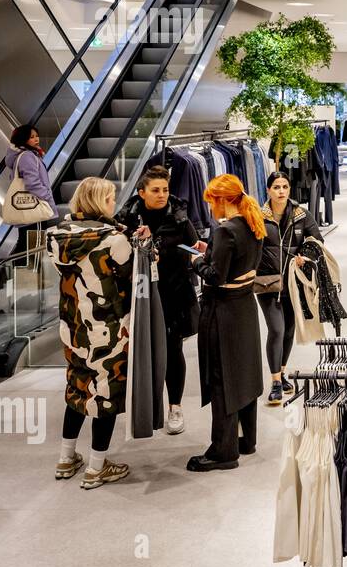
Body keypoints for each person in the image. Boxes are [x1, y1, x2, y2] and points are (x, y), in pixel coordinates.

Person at [48, 177, 135, 489]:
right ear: (101, 202)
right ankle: (97, 467)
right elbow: (129, 277)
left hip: (71, 326)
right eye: (110, 199)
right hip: (106, 328)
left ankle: (65, 457)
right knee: (105, 395)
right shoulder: (113, 239)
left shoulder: (55, 235)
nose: (114, 204)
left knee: (77, 388)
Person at [188, 174, 266, 472]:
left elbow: (215, 276)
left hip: (222, 313)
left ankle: (223, 451)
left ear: (221, 200)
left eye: (211, 202)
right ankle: (246, 440)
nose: (210, 209)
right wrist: (210, 252)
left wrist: (196, 261)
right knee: (245, 374)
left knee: (223, 379)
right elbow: (235, 265)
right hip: (245, 308)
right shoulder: (252, 223)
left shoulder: (225, 231)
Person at [117, 165, 202, 434]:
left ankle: (174, 407)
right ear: (141, 192)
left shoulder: (178, 216)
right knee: (140, 350)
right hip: (139, 294)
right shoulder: (127, 219)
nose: (162, 194)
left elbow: (192, 246)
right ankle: (144, 409)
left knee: (173, 350)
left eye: (165, 190)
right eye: (156, 190)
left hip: (174, 292)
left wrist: (187, 252)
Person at [258, 171, 322, 406]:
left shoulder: (300, 214)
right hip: (267, 282)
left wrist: (304, 254)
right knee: (276, 329)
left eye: (285, 186)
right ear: (268, 190)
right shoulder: (258, 216)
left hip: (294, 284)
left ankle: (282, 372)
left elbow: (317, 240)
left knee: (288, 331)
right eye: (276, 187)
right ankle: (275, 382)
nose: (281, 191)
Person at [4, 124, 56, 260]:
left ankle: (23, 276)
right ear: (23, 139)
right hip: (34, 206)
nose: (36, 139)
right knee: (34, 245)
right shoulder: (28, 156)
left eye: (36, 136)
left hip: (26, 207)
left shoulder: (24, 155)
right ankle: (29, 278)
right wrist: (46, 196)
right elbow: (32, 183)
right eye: (31, 137)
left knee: (25, 243)